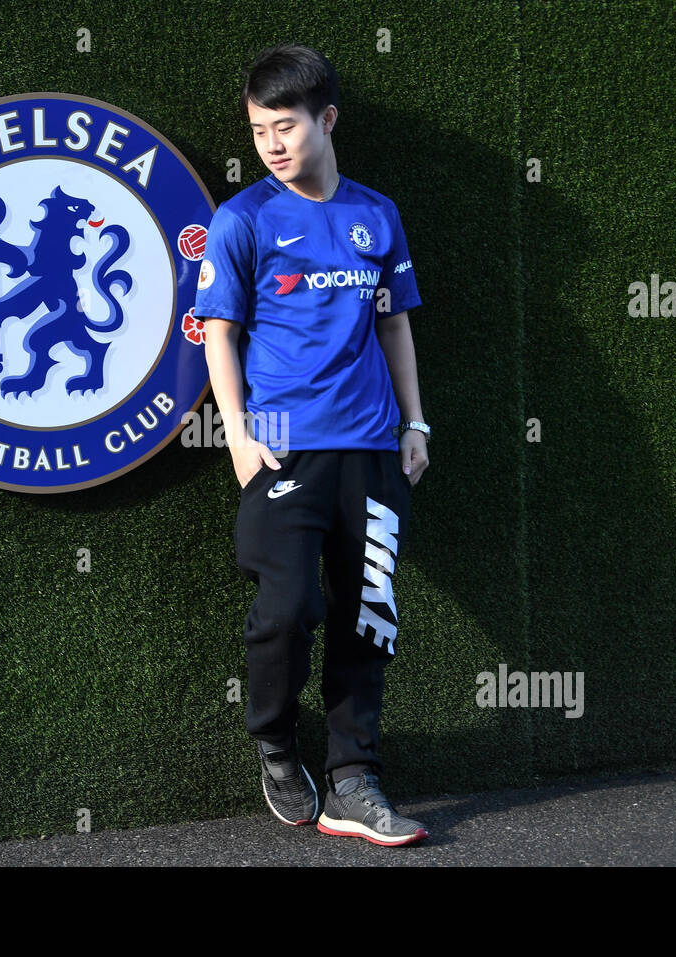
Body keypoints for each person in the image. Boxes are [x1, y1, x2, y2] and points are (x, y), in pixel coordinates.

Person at [194, 42, 431, 846]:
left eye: (286, 125)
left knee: (369, 615)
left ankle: (354, 779)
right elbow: (217, 334)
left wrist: (415, 423)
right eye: (260, 130)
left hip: (371, 448)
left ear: (326, 120)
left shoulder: (377, 214)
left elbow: (393, 322)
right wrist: (237, 435)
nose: (272, 143)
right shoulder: (243, 220)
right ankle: (273, 740)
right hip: (283, 452)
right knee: (286, 610)